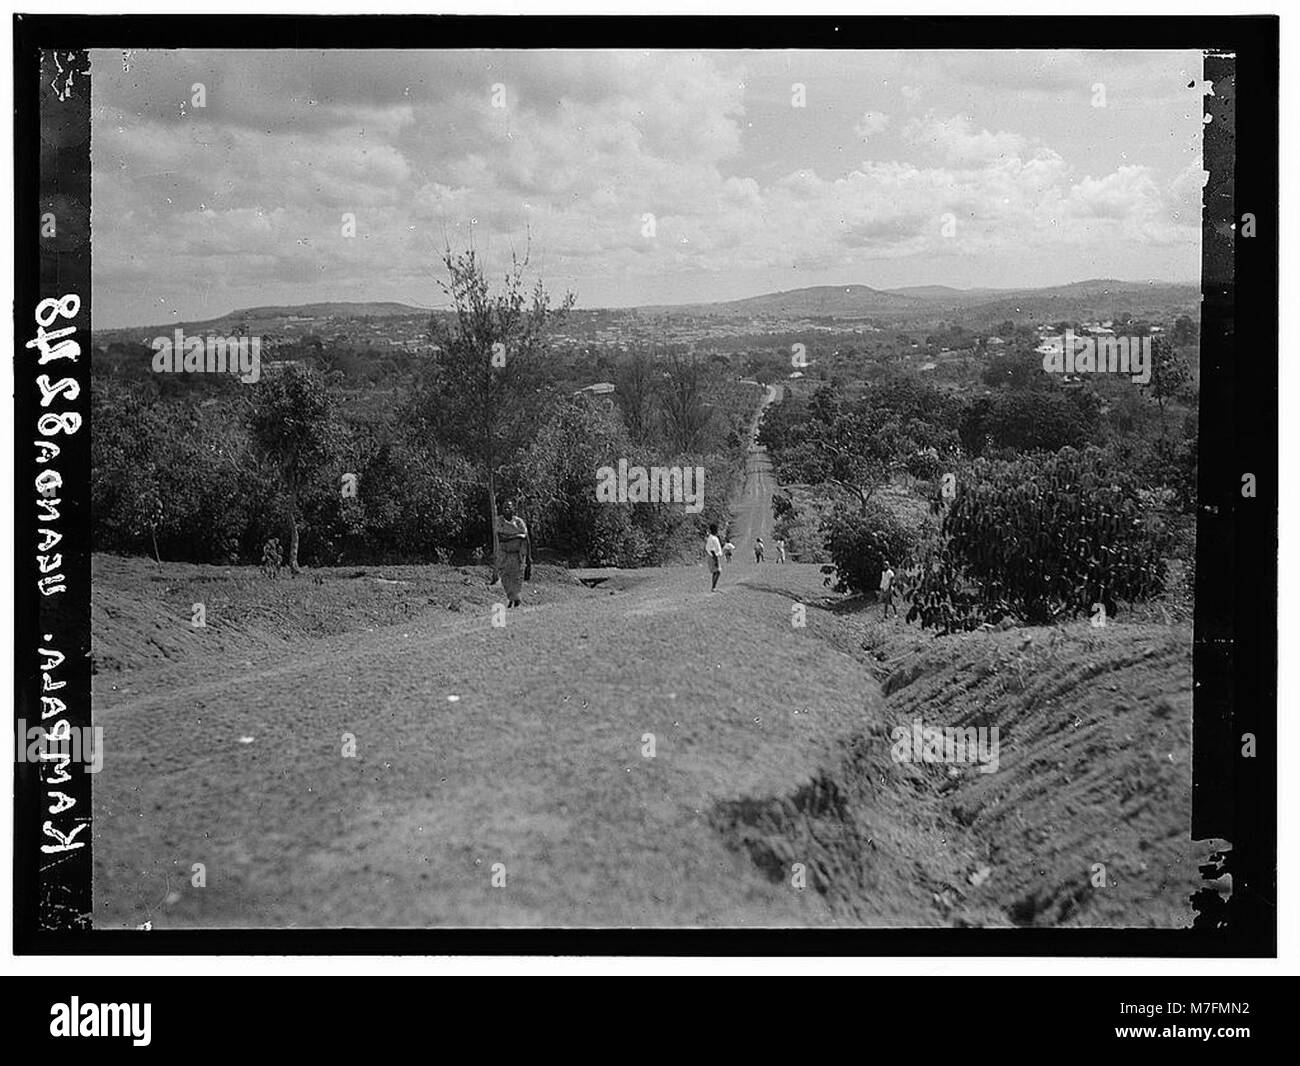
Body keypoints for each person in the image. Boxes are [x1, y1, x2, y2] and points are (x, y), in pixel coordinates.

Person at [496, 499, 530, 608]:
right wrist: (517, 536)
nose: (506, 509)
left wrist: (529, 556)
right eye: (505, 507)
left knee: (517, 576)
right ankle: (511, 597)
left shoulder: (519, 522)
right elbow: (501, 537)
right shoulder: (499, 521)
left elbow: (525, 537)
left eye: (509, 507)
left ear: (513, 509)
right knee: (505, 576)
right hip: (504, 552)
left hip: (518, 553)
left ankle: (516, 599)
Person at [705, 524, 723, 590]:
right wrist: (716, 560)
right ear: (715, 530)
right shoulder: (714, 538)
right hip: (714, 556)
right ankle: (713, 587)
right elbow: (712, 550)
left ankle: (713, 586)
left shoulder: (710, 537)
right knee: (718, 571)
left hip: (711, 556)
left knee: (715, 572)